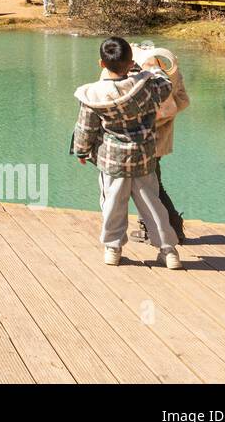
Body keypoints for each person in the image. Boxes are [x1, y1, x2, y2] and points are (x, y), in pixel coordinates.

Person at [72, 37, 181, 269]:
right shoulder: (147, 87)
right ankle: (168, 251)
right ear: (130, 62)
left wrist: (81, 150)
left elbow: (85, 127)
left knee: (112, 204)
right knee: (152, 205)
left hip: (112, 159)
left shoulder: (94, 95)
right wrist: (149, 65)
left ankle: (113, 248)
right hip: (143, 157)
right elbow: (166, 84)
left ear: (102, 64)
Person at [130, 45, 189, 245]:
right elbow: (183, 101)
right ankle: (155, 226)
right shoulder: (170, 75)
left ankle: (171, 226)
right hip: (160, 139)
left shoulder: (145, 79)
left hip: (144, 140)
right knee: (150, 184)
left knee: (150, 187)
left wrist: (156, 116)